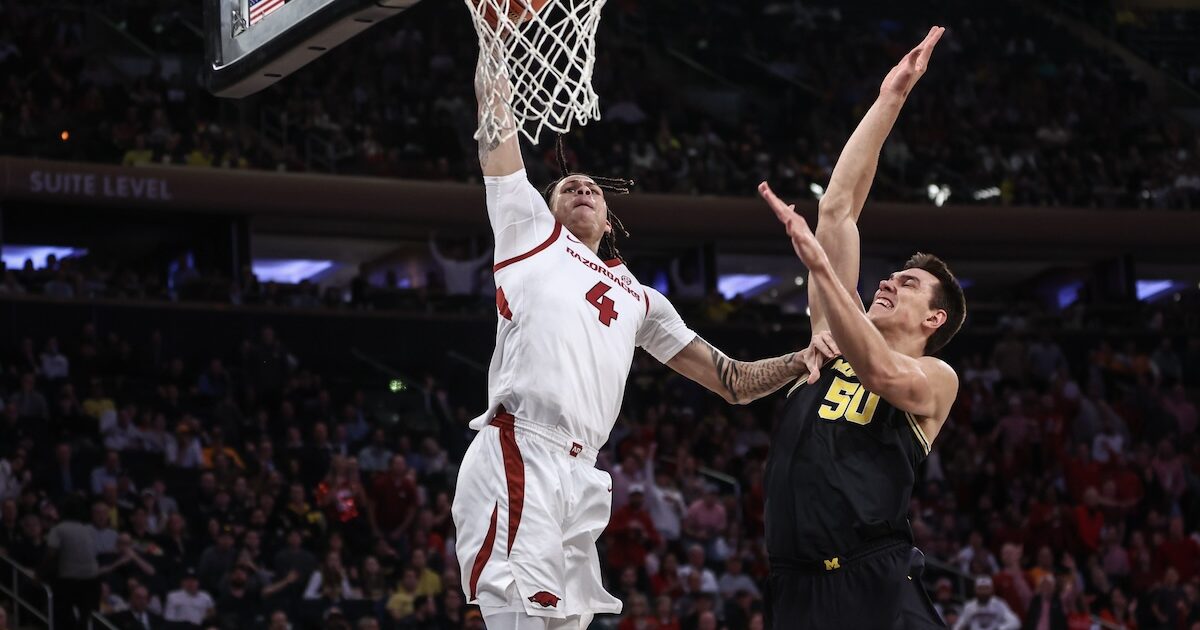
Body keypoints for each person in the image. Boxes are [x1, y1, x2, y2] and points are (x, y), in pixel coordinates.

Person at [453, 35, 836, 630]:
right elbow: (496, 131)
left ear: (610, 219)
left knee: (563, 624)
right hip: (520, 444)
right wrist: (495, 40)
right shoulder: (527, 234)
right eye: (568, 186)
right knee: (517, 620)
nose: (581, 187)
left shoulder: (642, 298)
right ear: (546, 207)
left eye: (592, 189)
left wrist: (801, 359)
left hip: (581, 473)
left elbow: (730, 381)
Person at [759, 27, 966, 629]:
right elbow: (839, 208)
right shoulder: (831, 330)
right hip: (794, 583)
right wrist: (891, 99)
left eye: (907, 284)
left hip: (871, 576)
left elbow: (878, 370)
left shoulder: (935, 376)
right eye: (891, 275)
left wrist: (821, 270)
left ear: (934, 319)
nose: (887, 282)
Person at [45, 495, 101, 630]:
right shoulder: (88, 529)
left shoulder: (59, 529)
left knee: (62, 615)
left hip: (70, 581)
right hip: (92, 581)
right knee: (85, 618)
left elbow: (50, 555)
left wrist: (39, 574)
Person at [954, 577, 1020, 630]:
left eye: (986, 589)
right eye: (980, 589)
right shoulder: (969, 606)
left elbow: (1015, 622)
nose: (983, 592)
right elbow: (958, 626)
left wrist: (1000, 628)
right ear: (975, 590)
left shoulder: (999, 604)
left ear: (991, 590)